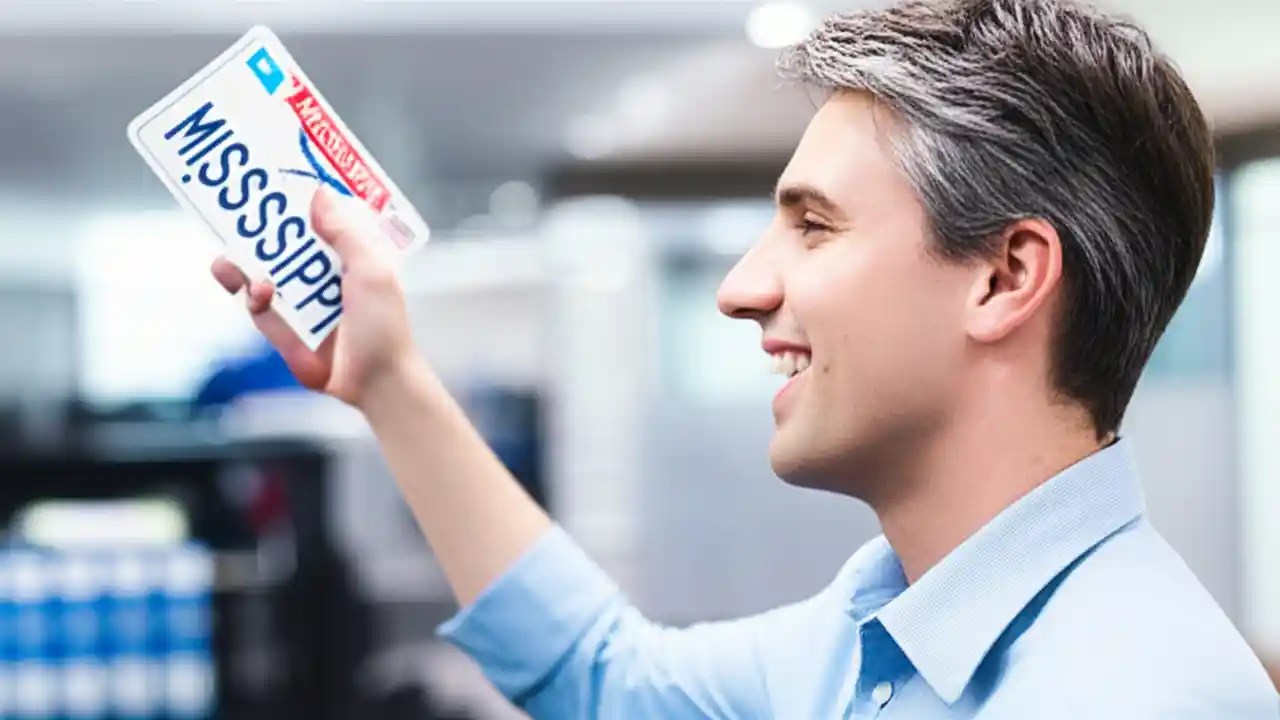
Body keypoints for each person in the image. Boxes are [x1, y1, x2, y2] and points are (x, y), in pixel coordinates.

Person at [210, 0, 1280, 716]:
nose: (740, 288)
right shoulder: (869, 630)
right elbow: (600, 676)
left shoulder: (1135, 691)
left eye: (812, 227)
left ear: (1001, 278)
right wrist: (389, 380)